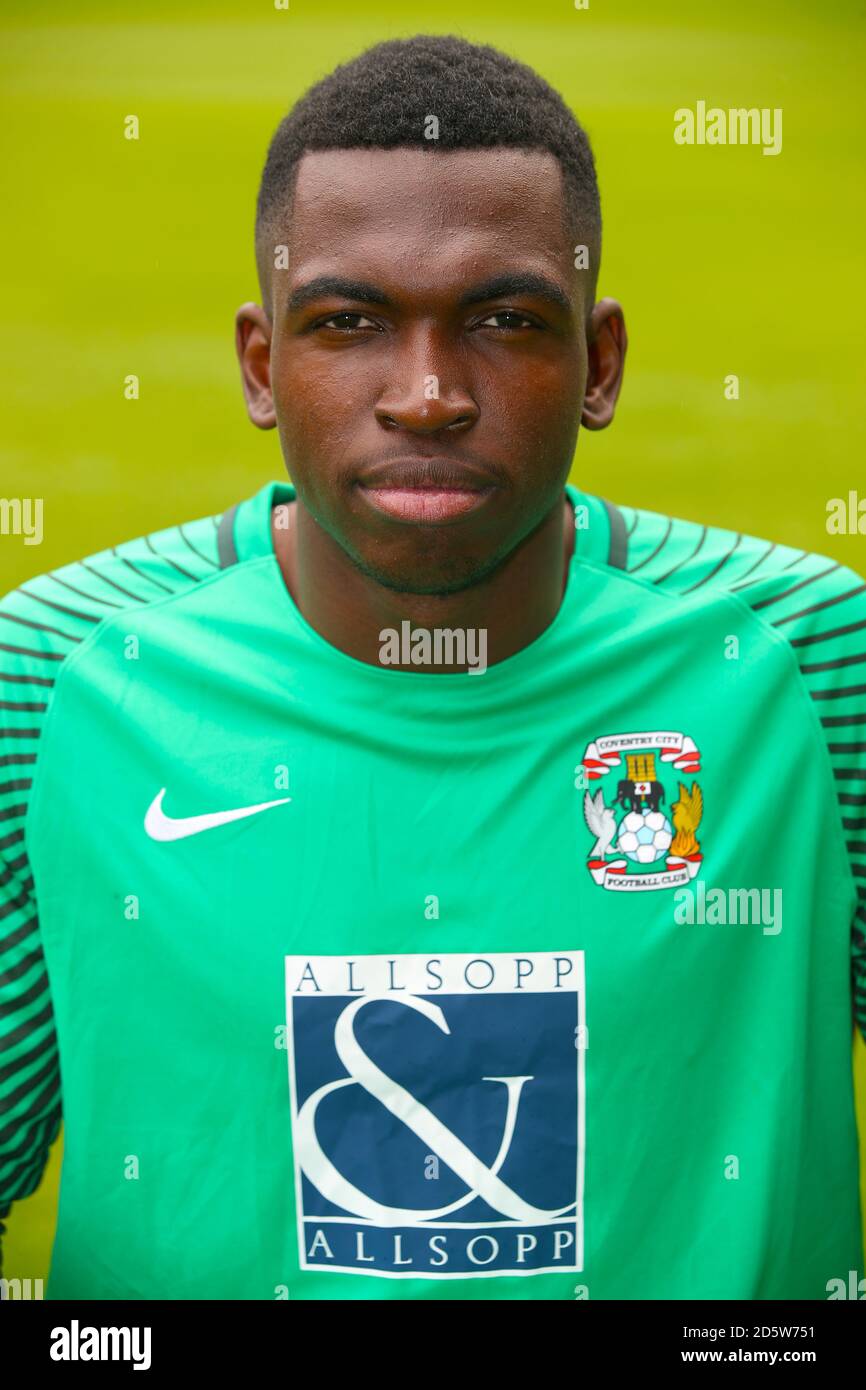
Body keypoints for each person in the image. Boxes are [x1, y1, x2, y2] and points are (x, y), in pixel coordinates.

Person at [1, 33, 863, 1301]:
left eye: (502, 321)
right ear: (259, 364)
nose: (424, 394)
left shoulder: (811, 664)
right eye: (347, 321)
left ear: (598, 363)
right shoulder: (49, 679)